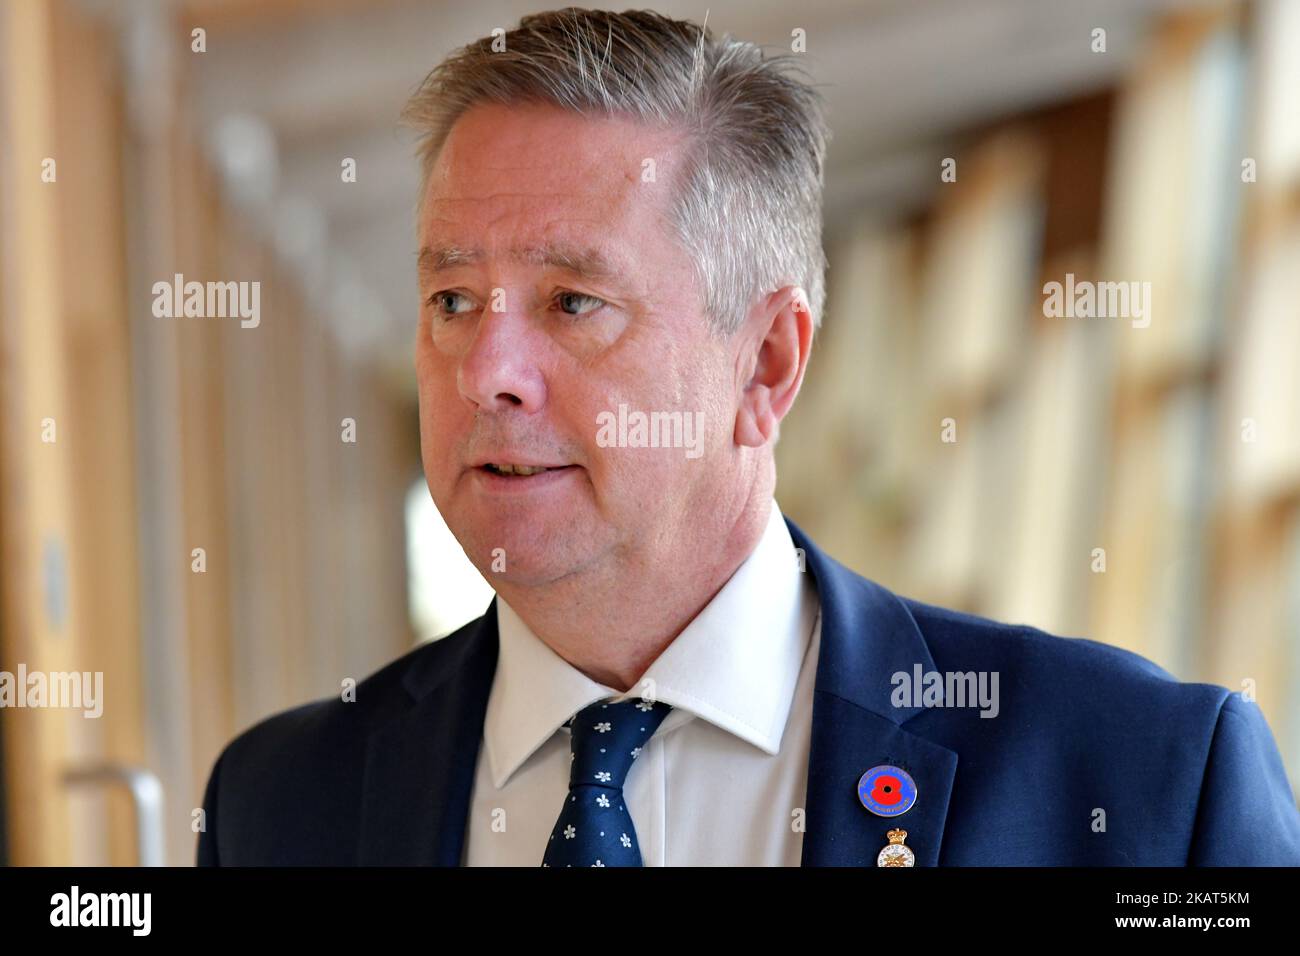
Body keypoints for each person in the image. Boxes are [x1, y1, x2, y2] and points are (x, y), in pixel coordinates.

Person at [197, 8, 1300, 866]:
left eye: (574, 302)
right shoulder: (281, 803)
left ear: (766, 363)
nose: (488, 373)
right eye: (452, 301)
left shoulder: (1143, 782)